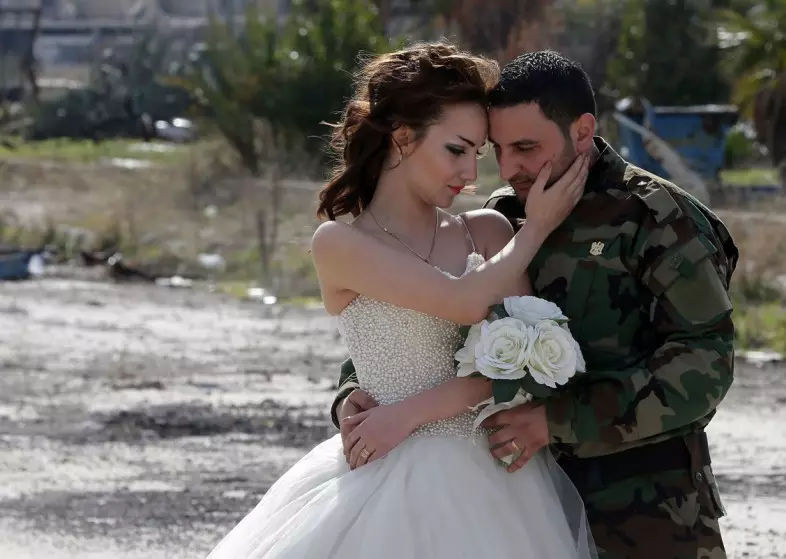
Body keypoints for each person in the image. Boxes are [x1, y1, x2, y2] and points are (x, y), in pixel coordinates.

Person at [332, 51, 739, 559]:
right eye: (497, 149)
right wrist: (355, 391)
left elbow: (706, 362)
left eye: (526, 147)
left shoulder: (656, 216)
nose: (509, 168)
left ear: (583, 131)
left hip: (645, 508)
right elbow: (428, 325)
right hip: (512, 497)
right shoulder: (502, 215)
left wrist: (558, 421)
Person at [204, 43, 599, 559]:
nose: (470, 175)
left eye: (477, 154)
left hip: (493, 485)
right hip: (378, 476)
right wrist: (538, 228)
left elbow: (522, 364)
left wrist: (409, 414)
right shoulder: (341, 244)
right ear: (403, 136)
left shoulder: (488, 231)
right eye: (456, 150)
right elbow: (459, 302)